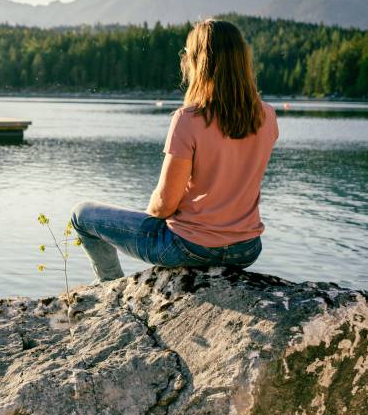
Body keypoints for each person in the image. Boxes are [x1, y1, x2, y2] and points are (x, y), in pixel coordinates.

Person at [70, 18, 279, 282]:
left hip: (188, 248)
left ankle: (110, 286)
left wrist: (148, 222)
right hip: (246, 249)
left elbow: (164, 205)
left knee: (82, 214)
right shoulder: (267, 116)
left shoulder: (188, 119)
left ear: (199, 62)